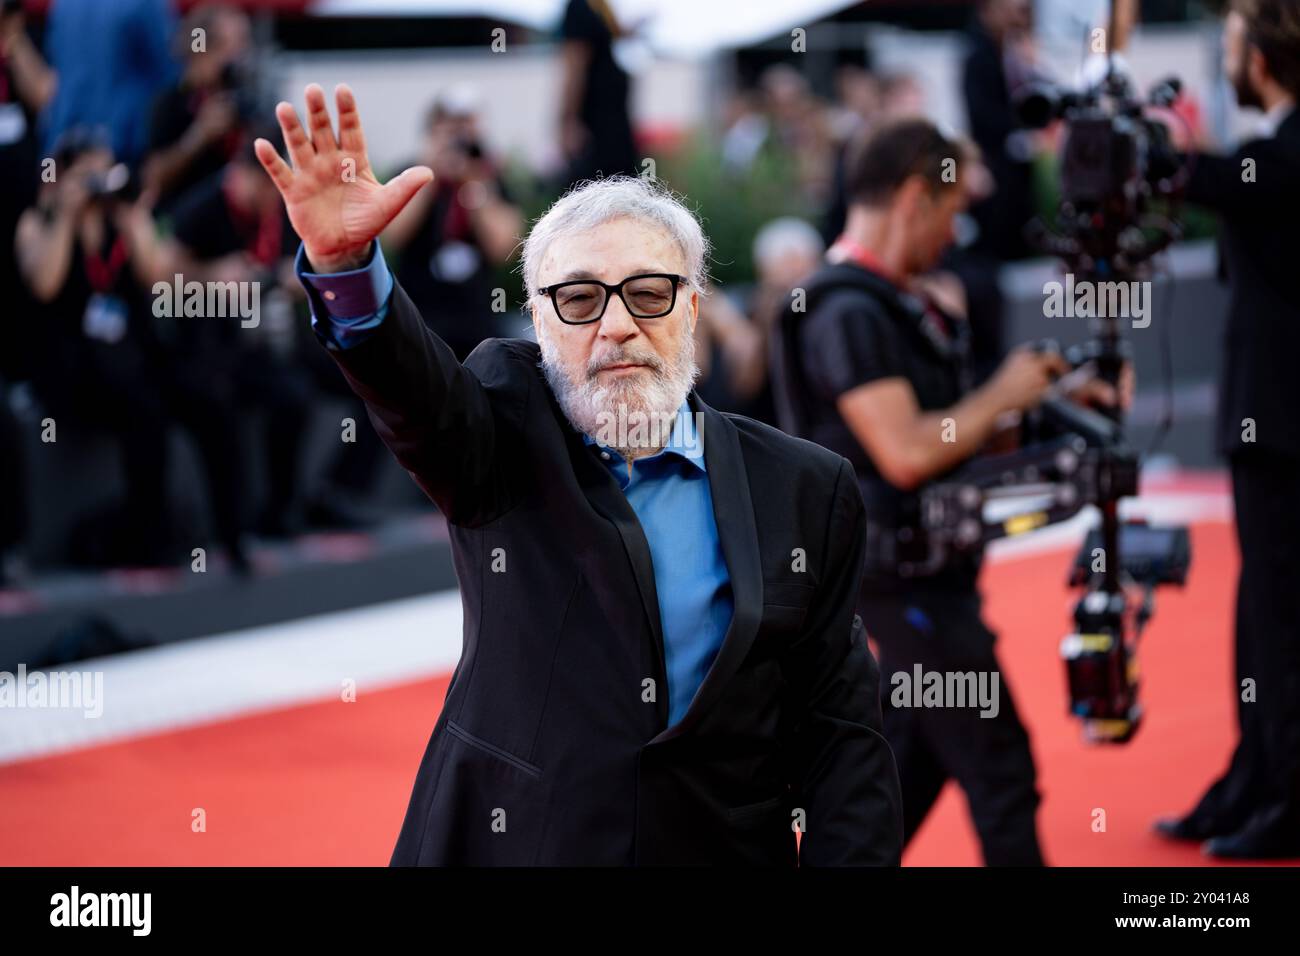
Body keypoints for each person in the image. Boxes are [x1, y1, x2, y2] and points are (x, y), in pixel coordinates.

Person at [254, 83, 903, 866]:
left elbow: (841, 741)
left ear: (693, 311)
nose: (618, 325)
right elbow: (416, 395)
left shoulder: (805, 487)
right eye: (581, 299)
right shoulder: (501, 430)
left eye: (651, 293)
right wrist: (347, 267)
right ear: (538, 320)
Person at [771, 118, 1122, 866]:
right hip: (897, 583)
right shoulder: (845, 311)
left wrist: (1046, 407)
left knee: (905, 772)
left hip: (928, 574)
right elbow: (905, 452)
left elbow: (953, 435)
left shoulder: (899, 303)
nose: (958, 229)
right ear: (912, 198)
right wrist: (1002, 392)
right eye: (954, 208)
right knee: (1000, 765)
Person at [1151, 0, 1300, 860]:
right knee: (1261, 609)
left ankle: (1285, 795)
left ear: (1268, 56)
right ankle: (1256, 776)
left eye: (1235, 43)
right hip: (1271, 421)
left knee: (1279, 616)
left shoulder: (1283, 154)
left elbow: (1206, 177)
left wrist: (1140, 143)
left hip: (1282, 422)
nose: (1228, 57)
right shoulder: (1273, 154)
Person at [382, 88, 523, 362]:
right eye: (450, 128)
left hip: (477, 314)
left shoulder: (488, 178)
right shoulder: (409, 173)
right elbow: (393, 237)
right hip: (419, 313)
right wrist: (429, 176)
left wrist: (475, 183)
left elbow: (504, 248)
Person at [142, 3, 253, 217]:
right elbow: (153, 178)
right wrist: (199, 136)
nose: (236, 58)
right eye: (226, 47)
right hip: (178, 223)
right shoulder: (170, 104)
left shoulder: (243, 101)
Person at [557, 0, 638, 185]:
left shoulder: (601, 7)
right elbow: (574, 67)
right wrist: (569, 120)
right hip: (595, 127)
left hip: (614, 125)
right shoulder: (579, 6)